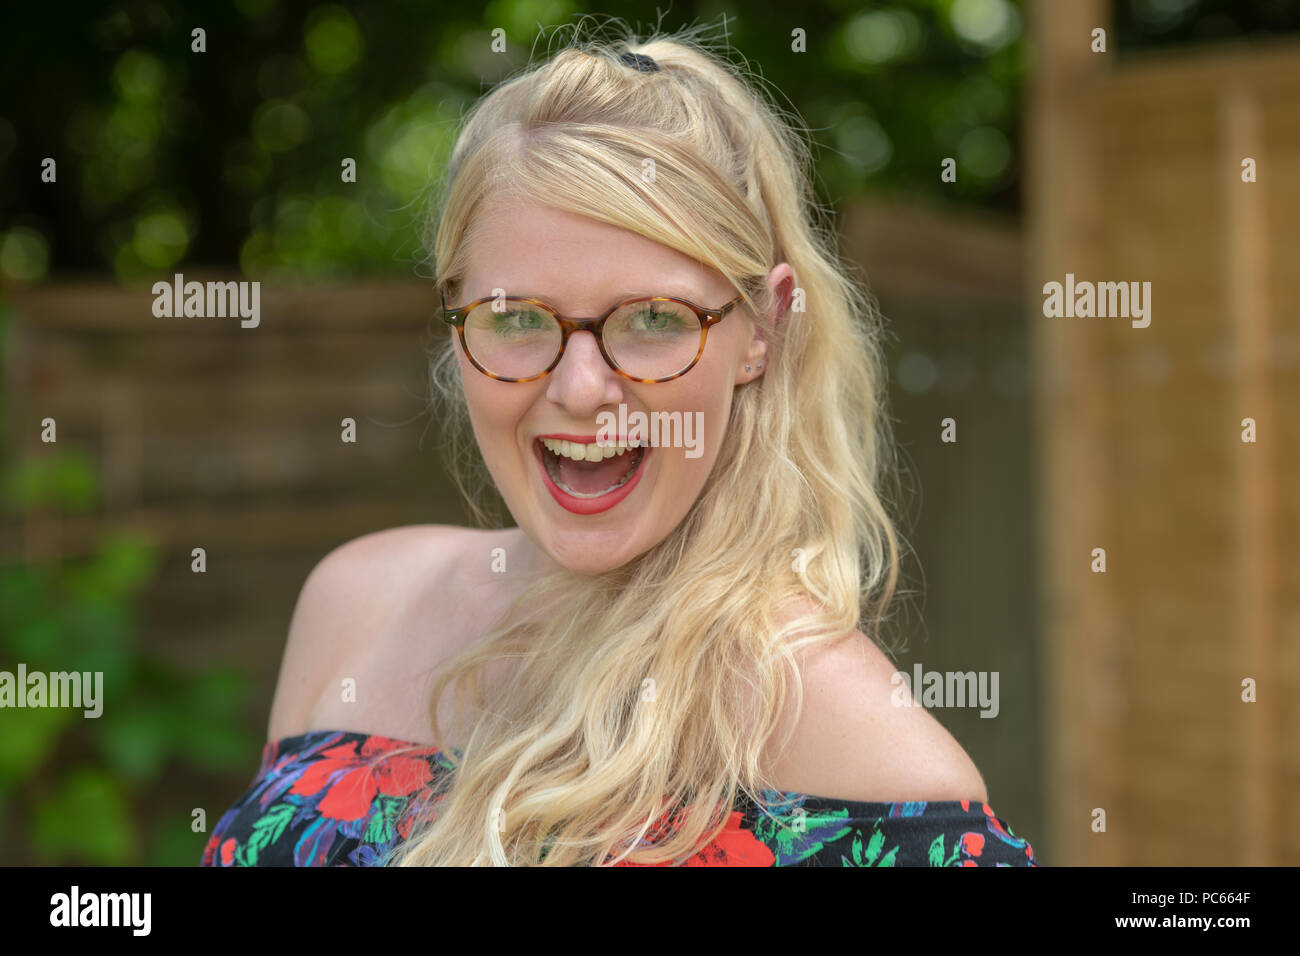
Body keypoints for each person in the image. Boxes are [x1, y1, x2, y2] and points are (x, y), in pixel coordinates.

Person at [201, 26, 1038, 867]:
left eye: (652, 321)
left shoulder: (865, 761)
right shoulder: (356, 603)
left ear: (765, 328)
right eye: (519, 319)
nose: (580, 389)